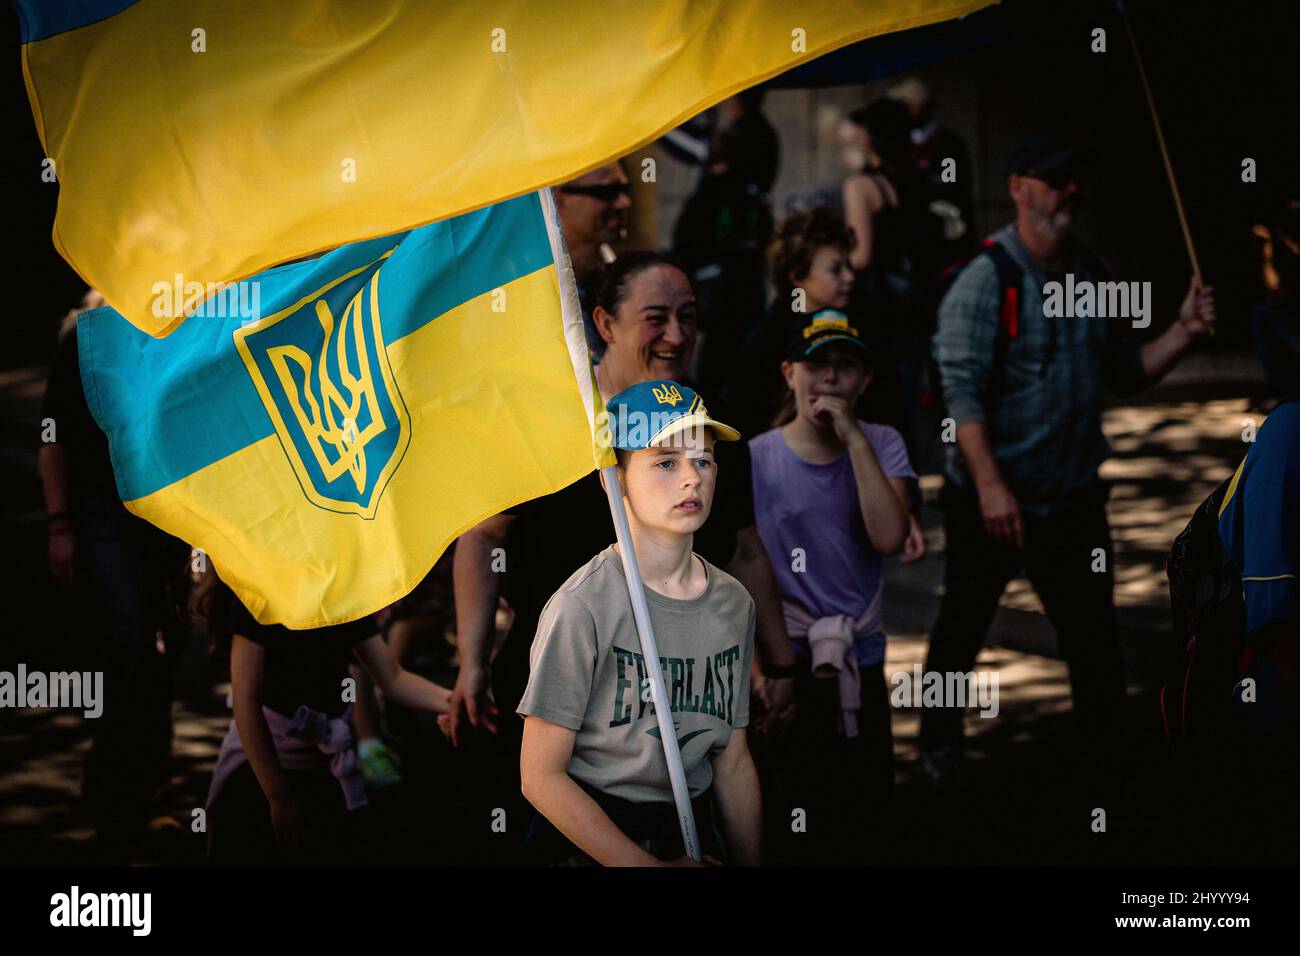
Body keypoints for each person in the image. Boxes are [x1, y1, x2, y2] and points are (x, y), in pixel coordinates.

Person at [449, 253, 797, 860]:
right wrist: (471, 661)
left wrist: (778, 661)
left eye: (688, 317)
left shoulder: (702, 432)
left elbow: (744, 550)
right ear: (605, 323)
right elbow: (482, 537)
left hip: (678, 751)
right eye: (656, 317)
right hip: (565, 696)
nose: (677, 334)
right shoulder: (550, 428)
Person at [921, 133, 1217, 784]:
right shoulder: (985, 280)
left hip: (1072, 500)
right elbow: (960, 393)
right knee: (960, 629)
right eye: (1055, 179)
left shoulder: (1091, 273)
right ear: (1020, 189)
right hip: (991, 502)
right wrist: (992, 487)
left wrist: (1184, 332)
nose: (1071, 191)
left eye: (1075, 178)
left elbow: (1126, 370)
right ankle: (937, 750)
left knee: (1094, 642)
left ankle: (1104, 765)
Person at [518, 380, 761, 865]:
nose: (692, 478)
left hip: (689, 829)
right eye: (666, 462)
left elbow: (732, 760)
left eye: (704, 460)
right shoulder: (581, 607)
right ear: (613, 477)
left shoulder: (735, 604)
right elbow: (540, 777)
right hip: (595, 837)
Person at [749, 310, 916, 863]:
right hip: (788, 658)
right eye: (816, 365)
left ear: (864, 382)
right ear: (788, 373)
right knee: (796, 806)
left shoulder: (883, 442)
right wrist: (763, 667)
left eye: (846, 367)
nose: (830, 378)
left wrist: (855, 441)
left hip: (859, 657)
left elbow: (889, 535)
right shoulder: (756, 457)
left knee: (865, 803)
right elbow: (745, 566)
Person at [39, 290, 189, 859]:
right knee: (132, 649)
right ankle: (124, 797)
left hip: (162, 516)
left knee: (167, 646)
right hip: (102, 518)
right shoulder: (82, 338)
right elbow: (50, 442)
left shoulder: (173, 326)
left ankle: (139, 782)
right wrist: (59, 528)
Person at [204, 582, 453, 864]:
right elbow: (245, 702)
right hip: (262, 771)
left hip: (324, 770)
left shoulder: (340, 596)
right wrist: (278, 796)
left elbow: (392, 677)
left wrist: (456, 703)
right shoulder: (260, 599)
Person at [554, 162, 633, 360]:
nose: (624, 202)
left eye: (624, 190)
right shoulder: (528, 285)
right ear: (558, 199)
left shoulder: (626, 279)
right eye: (607, 191)